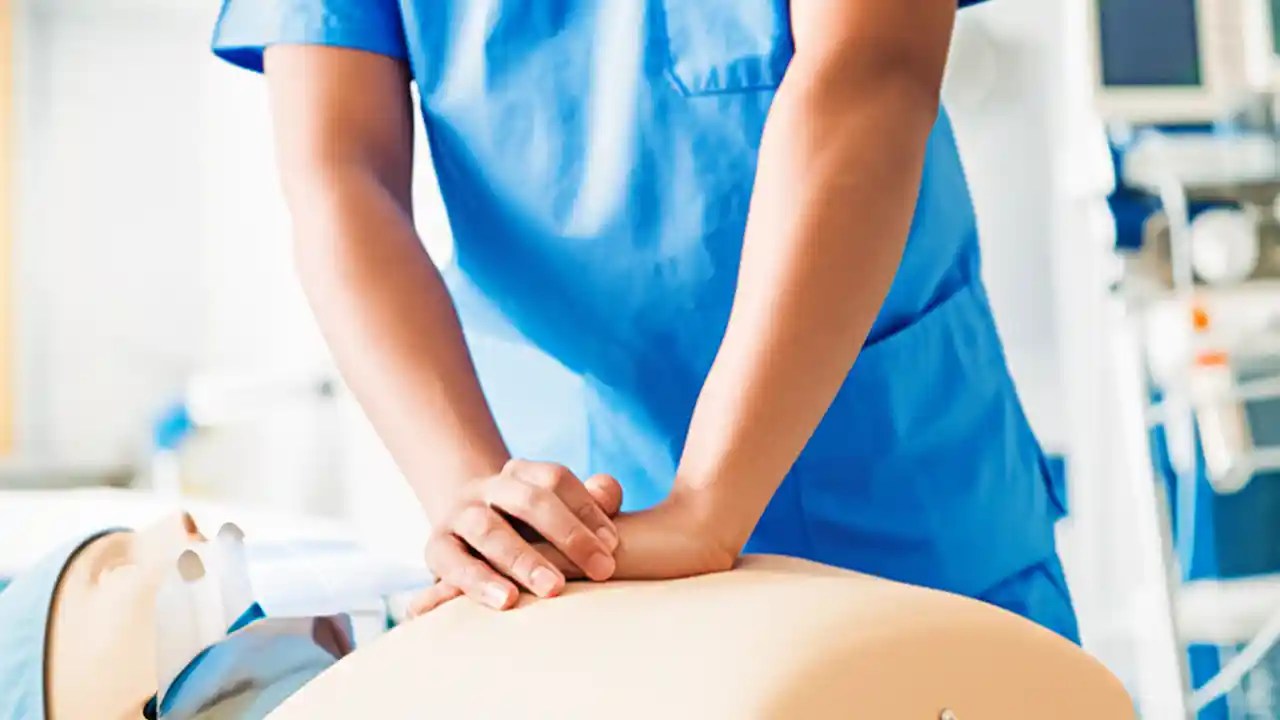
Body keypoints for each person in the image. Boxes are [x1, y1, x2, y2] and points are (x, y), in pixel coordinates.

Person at [211, 0, 1075, 639]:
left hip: (898, 507)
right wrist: (479, 516)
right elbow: (339, 177)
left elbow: (871, 72)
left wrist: (709, 505)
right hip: (571, 540)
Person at [0, 514, 1131, 720]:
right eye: (104, 572)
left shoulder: (406, 636)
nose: (181, 526)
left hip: (902, 603)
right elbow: (336, 175)